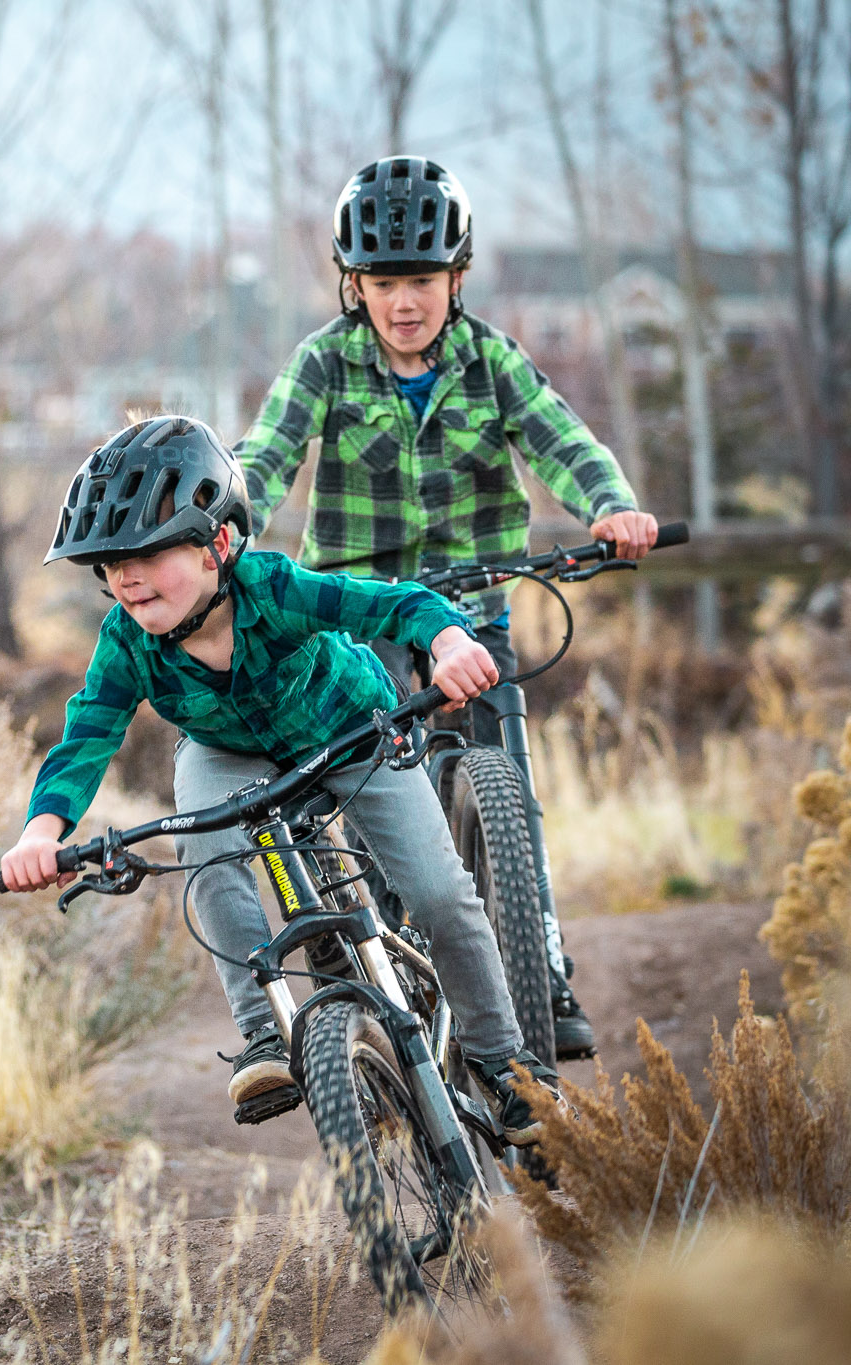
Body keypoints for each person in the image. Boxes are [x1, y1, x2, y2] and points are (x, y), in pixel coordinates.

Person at [0, 415, 562, 1142]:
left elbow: (394, 604)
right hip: (227, 751)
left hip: (350, 730)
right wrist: (41, 833)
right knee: (204, 843)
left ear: (217, 546)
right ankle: (264, 1032)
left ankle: (504, 1061)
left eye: (148, 552)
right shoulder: (126, 642)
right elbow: (87, 735)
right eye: (109, 563)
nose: (126, 577)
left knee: (437, 894)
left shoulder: (274, 588)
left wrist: (449, 641)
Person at [234, 155, 659, 1061]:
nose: (404, 302)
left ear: (456, 277)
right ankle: (391, 952)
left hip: (473, 609)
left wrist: (610, 505)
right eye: (384, 282)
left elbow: (562, 438)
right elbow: (264, 457)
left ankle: (541, 963)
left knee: (510, 780)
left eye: (422, 280)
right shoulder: (324, 363)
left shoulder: (491, 360)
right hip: (369, 618)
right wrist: (227, 527)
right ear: (354, 284)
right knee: (377, 770)